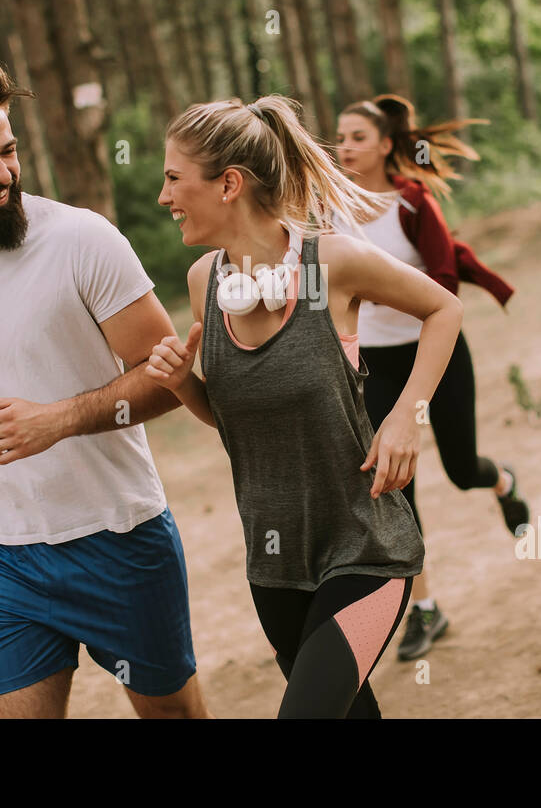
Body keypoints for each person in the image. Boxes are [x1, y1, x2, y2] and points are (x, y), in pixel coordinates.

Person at [0, 56, 211, 717]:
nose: (2, 173)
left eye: (8, 151)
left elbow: (168, 378)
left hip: (120, 536)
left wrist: (60, 418)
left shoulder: (82, 241)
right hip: (9, 560)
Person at [145, 95, 463, 718]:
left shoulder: (334, 261)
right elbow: (231, 423)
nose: (164, 196)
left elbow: (443, 309)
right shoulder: (205, 283)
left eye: (174, 178)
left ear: (228, 184)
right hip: (275, 566)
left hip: (364, 550)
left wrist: (405, 415)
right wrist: (185, 384)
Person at [336, 94, 528, 661]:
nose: (345, 147)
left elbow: (444, 283)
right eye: (340, 137)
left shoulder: (412, 205)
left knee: (463, 468)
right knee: (396, 488)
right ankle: (426, 608)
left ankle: (503, 484)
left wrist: (395, 297)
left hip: (435, 357)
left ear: (387, 146)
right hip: (376, 368)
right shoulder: (329, 211)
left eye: (358, 138)